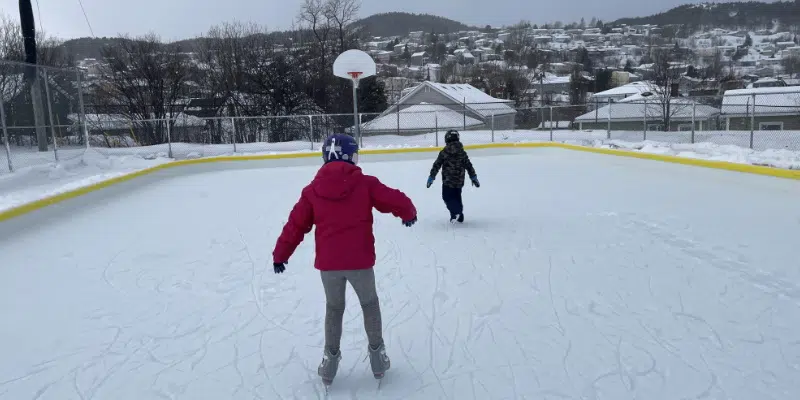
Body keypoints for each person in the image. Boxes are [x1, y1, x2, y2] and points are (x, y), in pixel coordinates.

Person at [272, 133, 418, 386]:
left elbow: (295, 225)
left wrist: (280, 254)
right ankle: (377, 356)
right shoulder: (365, 183)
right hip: (360, 262)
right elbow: (395, 198)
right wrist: (407, 213)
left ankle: (330, 362)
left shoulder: (312, 191)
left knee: (334, 309)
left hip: (329, 266)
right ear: (351, 156)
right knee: (369, 305)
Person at [427, 129, 480, 223]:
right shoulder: (462, 152)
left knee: (447, 197)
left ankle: (457, 212)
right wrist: (473, 177)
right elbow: (469, 165)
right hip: (459, 181)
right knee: (456, 197)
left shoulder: (444, 152)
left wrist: (431, 177)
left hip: (448, 181)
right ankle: (457, 216)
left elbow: (437, 165)